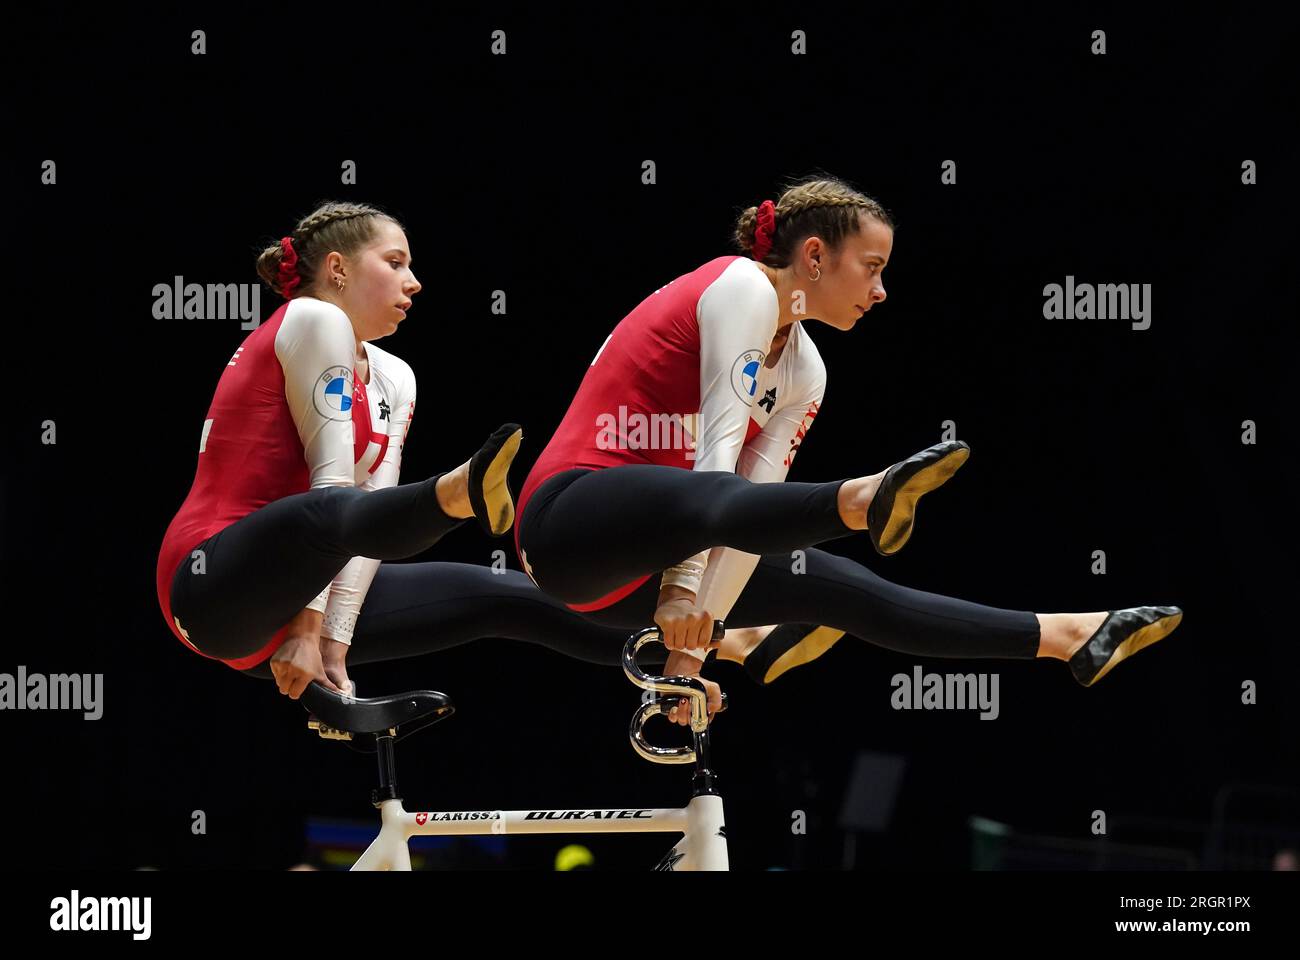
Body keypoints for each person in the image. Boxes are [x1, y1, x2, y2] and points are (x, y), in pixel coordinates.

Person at [512, 175, 1184, 725]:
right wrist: (683, 598)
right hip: (567, 524)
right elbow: (716, 463)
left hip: (637, 575)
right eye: (872, 268)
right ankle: (859, 498)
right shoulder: (740, 286)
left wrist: (685, 663)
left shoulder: (807, 372)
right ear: (813, 257)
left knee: (844, 589)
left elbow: (749, 521)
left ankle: (1065, 638)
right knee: (730, 501)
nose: (881, 291)